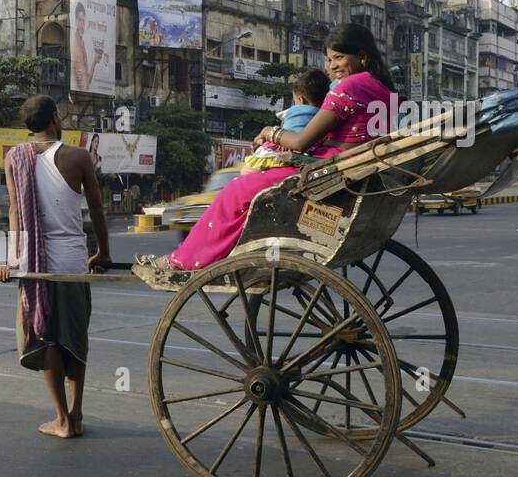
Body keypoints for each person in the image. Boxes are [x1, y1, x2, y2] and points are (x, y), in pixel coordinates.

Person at [136, 23, 395, 283]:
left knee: (236, 192)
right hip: (349, 169)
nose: (331, 67)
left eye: (339, 57)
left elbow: (302, 141)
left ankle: (184, 261)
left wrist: (270, 133)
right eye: (328, 60)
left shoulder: (349, 86)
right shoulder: (383, 90)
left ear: (362, 56)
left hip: (331, 169)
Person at [0, 95, 110, 438]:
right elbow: (97, 211)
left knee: (47, 340)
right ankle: (75, 415)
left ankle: (61, 419)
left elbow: (15, 211)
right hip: (73, 261)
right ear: (55, 119)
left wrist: (13, 260)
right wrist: (102, 251)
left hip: (34, 264)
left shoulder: (14, 158)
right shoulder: (78, 157)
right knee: (74, 338)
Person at [239, 68, 331, 174]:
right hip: (313, 154)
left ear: (301, 99)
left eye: (294, 100)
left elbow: (289, 136)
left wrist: (266, 131)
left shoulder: (296, 111)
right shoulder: (328, 113)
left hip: (287, 150)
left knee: (246, 171)